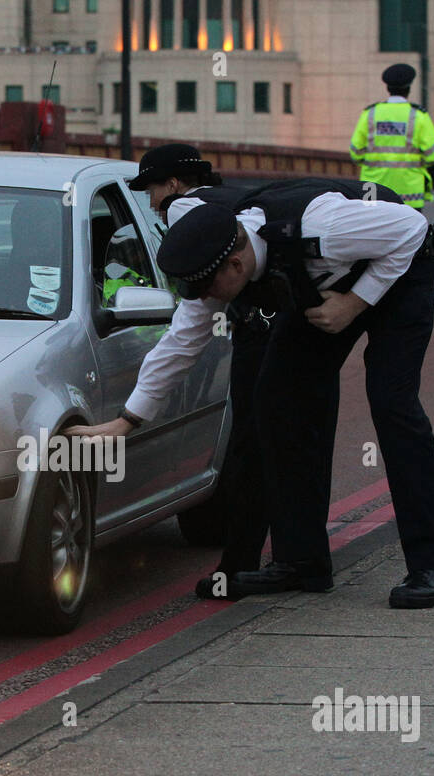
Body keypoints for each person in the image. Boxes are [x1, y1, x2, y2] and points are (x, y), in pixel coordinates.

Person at [69, 176, 434, 609]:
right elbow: (178, 345)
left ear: (236, 266)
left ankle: (431, 567)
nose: (205, 300)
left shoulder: (323, 224)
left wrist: (354, 303)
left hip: (400, 269)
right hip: (321, 284)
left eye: (208, 289)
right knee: (276, 403)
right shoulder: (218, 261)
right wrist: (126, 421)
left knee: (392, 404)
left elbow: (412, 229)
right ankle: (301, 562)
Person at [120, 144, 270, 599]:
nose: (151, 205)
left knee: (249, 448)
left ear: (172, 184)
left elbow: (188, 328)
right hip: (281, 317)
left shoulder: (186, 211)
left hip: (258, 329)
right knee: (279, 443)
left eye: (151, 191)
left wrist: (130, 417)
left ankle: (242, 565)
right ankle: (299, 558)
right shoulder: (235, 201)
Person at [349, 63, 434, 210]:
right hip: (409, 191)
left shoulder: (370, 114)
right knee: (408, 232)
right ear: (409, 88)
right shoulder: (418, 115)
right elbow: (433, 155)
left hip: (372, 190)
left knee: (372, 231)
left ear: (387, 88)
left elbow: (355, 153)